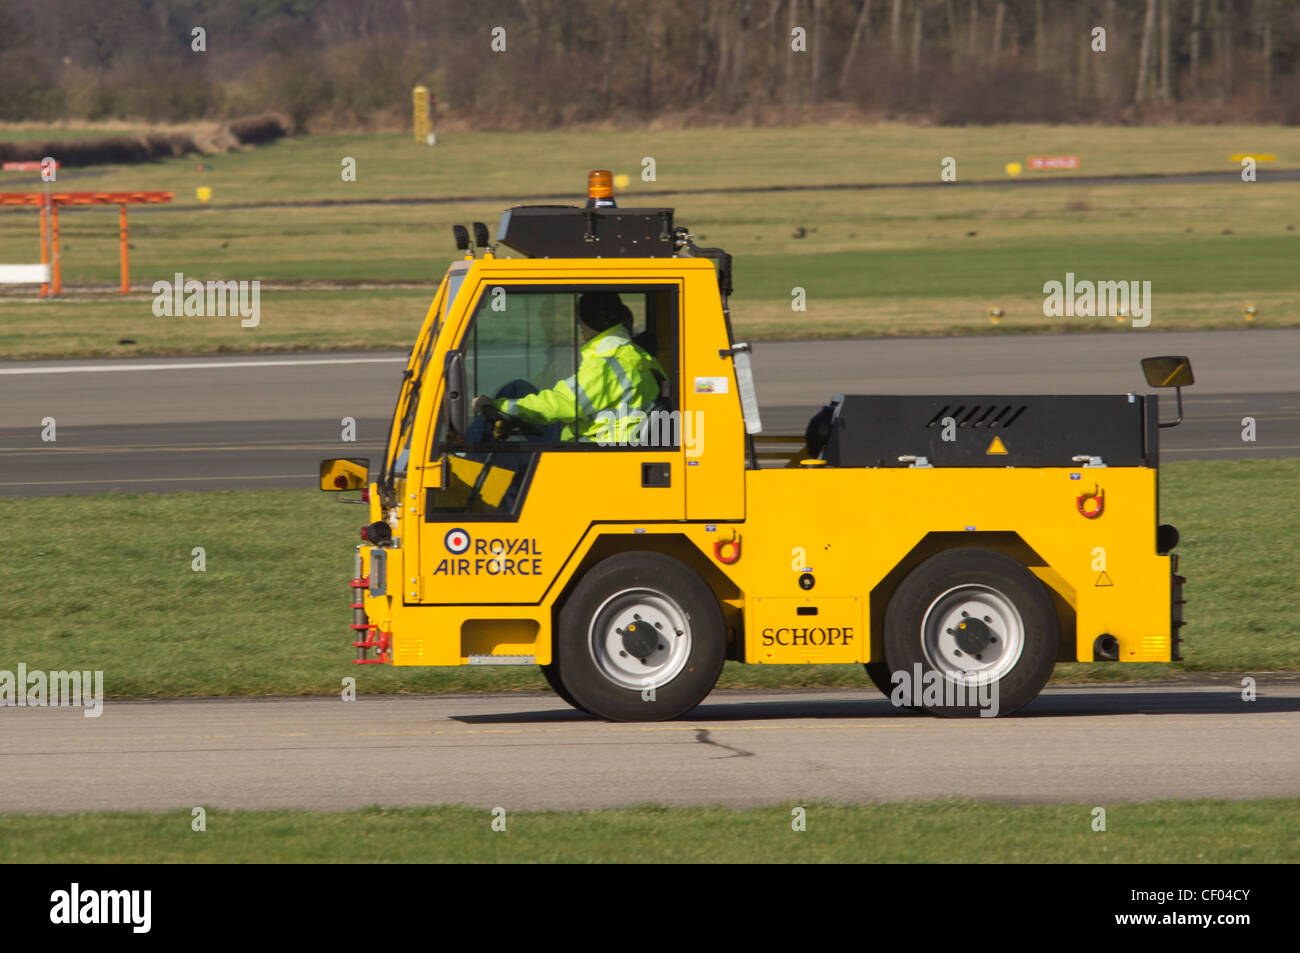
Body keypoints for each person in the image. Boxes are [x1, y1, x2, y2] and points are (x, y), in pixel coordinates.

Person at [471, 292, 665, 445]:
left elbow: (563, 404)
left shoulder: (608, 364)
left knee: (515, 391)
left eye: (580, 319)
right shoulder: (635, 355)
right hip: (604, 441)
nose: (578, 324)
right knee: (520, 390)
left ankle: (464, 455)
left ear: (589, 320)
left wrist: (501, 406)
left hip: (590, 447)